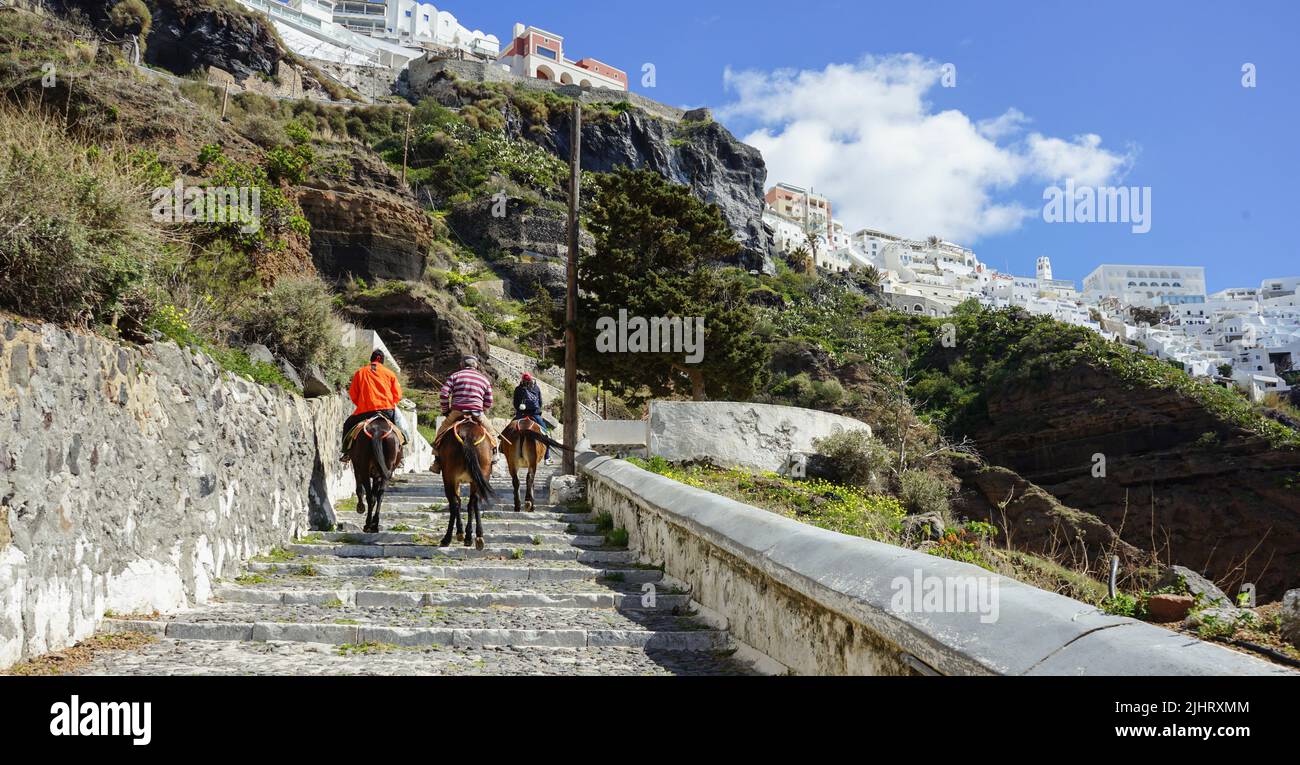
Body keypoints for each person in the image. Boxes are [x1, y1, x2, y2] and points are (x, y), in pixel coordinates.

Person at [431, 356, 496, 473]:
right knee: (492, 434)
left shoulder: (454, 376)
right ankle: (494, 459)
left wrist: (446, 410)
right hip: (477, 413)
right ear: (475, 366)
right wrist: (482, 409)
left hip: (457, 412)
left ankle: (436, 461)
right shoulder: (484, 379)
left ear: (462, 365)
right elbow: (489, 401)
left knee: (440, 433)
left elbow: (444, 394)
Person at [341, 350, 407, 462]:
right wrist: (390, 402)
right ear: (382, 361)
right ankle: (400, 455)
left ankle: (346, 453)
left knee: (347, 424)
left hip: (365, 412)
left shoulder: (360, 372)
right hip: (387, 411)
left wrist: (362, 403)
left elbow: (353, 394)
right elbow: (397, 395)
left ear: (371, 360)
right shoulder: (390, 373)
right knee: (400, 429)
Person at [512, 373, 551, 465]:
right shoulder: (536, 388)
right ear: (531, 380)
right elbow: (540, 403)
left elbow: (515, 403)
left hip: (521, 414)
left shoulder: (518, 389)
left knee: (509, 431)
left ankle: (503, 449)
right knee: (546, 433)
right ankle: (547, 457)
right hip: (535, 414)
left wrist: (521, 408)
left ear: (522, 380)